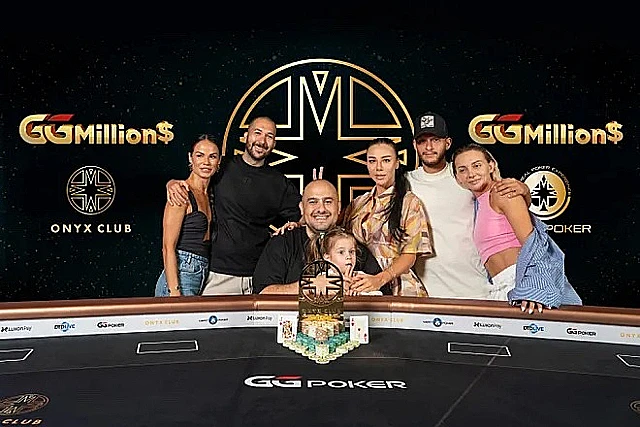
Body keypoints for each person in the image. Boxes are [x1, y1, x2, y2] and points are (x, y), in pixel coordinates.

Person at [166, 116, 302, 295]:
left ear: (274, 144)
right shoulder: (222, 167)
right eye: (257, 133)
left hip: (257, 277)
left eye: (269, 136)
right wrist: (172, 183)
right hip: (218, 276)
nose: (262, 141)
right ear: (246, 136)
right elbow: (195, 180)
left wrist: (296, 224)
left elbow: (307, 215)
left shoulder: (279, 183)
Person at [406, 111, 531, 299]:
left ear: (447, 143)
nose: (429, 147)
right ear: (414, 145)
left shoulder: (465, 175)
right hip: (428, 291)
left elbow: (503, 204)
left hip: (478, 286)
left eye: (436, 140)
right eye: (422, 141)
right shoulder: (406, 182)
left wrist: (525, 191)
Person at [451, 142, 583, 313]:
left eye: (477, 165)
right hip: (499, 288)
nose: (471, 174)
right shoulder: (477, 203)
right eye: (462, 170)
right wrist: (526, 193)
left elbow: (534, 243)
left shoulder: (503, 192)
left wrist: (534, 287)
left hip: (523, 286)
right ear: (457, 178)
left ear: (491, 166)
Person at [253, 179, 384, 295]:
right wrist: (310, 285)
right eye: (313, 202)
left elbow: (382, 293)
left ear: (338, 207)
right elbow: (263, 292)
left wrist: (360, 289)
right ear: (302, 208)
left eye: (328, 201)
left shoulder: (352, 246)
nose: (321, 209)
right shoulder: (282, 243)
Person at [340, 137, 433, 297]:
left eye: (386, 160)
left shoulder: (409, 202)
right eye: (372, 161)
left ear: (396, 163)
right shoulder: (358, 203)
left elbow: (410, 255)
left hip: (399, 288)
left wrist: (380, 279)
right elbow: (333, 234)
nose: (378, 168)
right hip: (361, 286)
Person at [155, 135, 220, 297]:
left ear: (219, 161)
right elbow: (167, 248)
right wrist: (174, 293)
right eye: (200, 155)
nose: (206, 162)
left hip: (202, 273)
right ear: (190, 158)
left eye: (212, 156)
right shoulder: (181, 193)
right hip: (180, 274)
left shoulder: (210, 194)